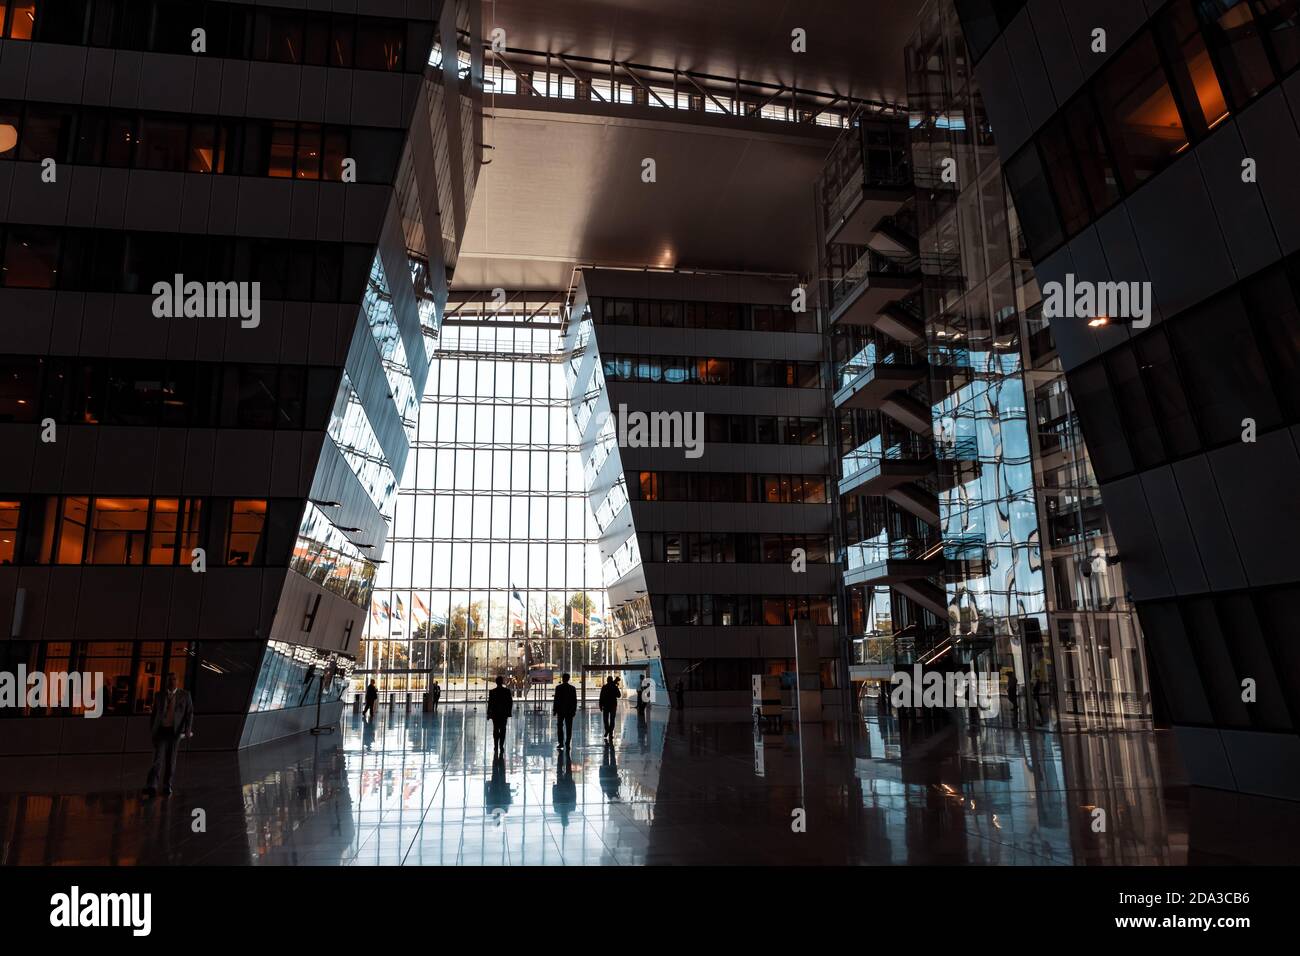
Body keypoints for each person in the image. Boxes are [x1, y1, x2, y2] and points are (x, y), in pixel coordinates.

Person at [143, 672, 194, 797]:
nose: (172, 681)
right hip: (161, 731)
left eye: (174, 679)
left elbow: (189, 713)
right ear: (166, 681)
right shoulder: (159, 695)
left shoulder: (185, 695)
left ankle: (167, 785)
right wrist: (153, 729)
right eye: (170, 679)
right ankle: (152, 786)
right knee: (157, 760)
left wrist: (187, 729)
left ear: (178, 681)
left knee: (171, 761)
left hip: (175, 732)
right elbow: (154, 714)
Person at [487, 675, 513, 757]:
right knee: (503, 730)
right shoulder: (507, 691)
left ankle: (496, 746)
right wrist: (509, 712)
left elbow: (490, 704)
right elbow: (510, 702)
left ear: (496, 682)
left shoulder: (492, 692)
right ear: (502, 682)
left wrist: (488, 714)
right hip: (503, 714)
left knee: (495, 729)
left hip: (495, 714)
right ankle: (501, 746)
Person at [553, 672, 577, 751]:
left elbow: (556, 699)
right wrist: (574, 710)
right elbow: (574, 701)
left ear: (562, 679)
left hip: (560, 710)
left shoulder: (558, 688)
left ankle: (561, 743)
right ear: (568, 679)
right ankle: (567, 742)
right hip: (569, 711)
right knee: (569, 727)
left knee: (560, 726)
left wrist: (554, 710)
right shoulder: (572, 688)